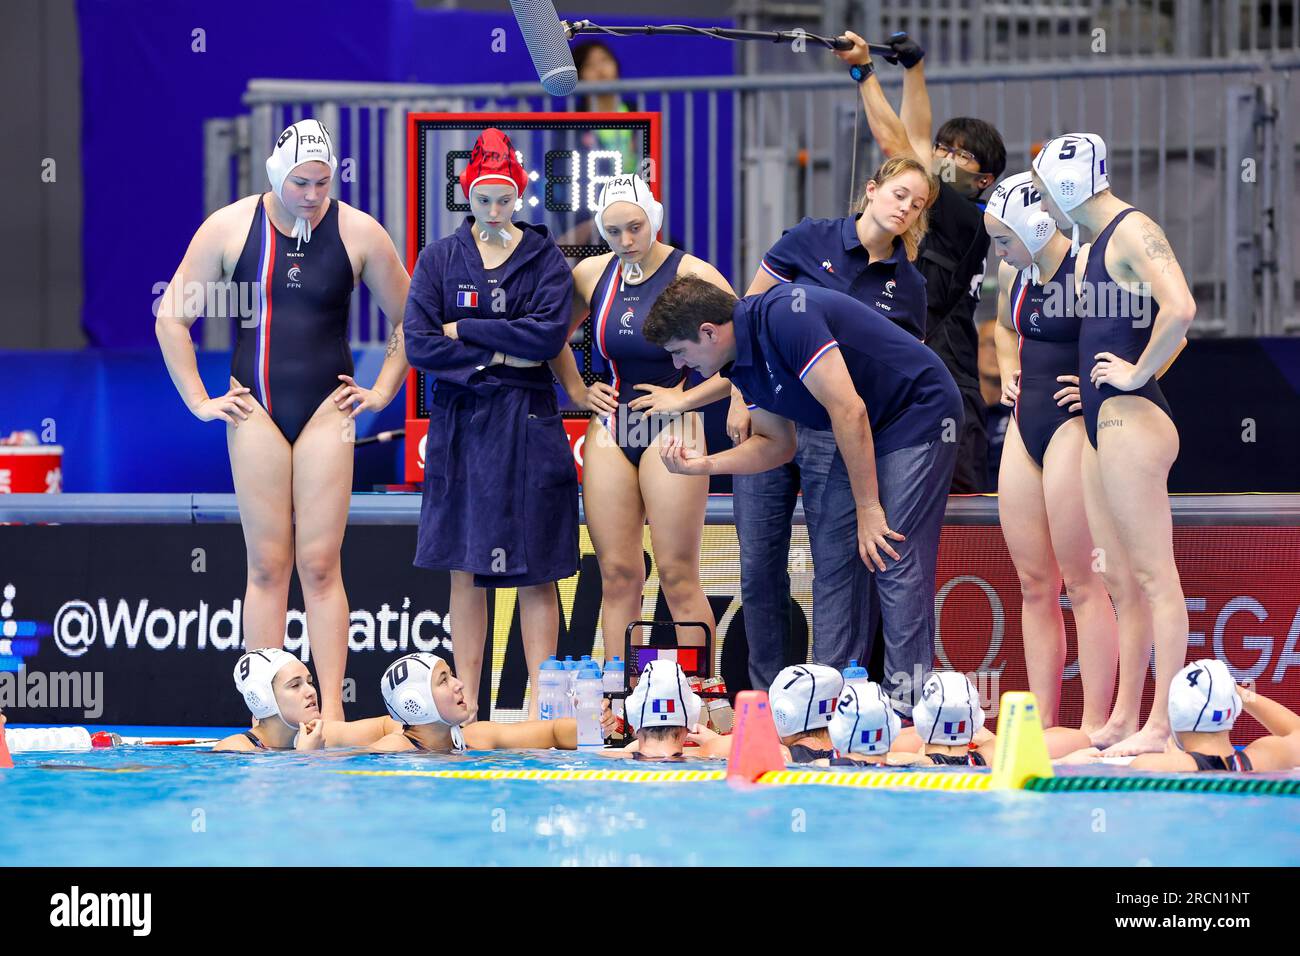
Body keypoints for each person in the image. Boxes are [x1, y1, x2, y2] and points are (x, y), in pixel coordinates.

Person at [157, 119, 412, 720]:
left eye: (323, 183)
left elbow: (413, 320)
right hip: (255, 411)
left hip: (329, 410)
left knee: (321, 565)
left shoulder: (359, 232)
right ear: (277, 175)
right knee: (267, 568)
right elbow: (173, 317)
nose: (313, 195)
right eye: (301, 183)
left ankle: (331, 718)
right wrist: (198, 400)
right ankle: (266, 715)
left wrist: (381, 392)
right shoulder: (229, 227)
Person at [644, 278, 962, 715]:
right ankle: (835, 705)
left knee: (889, 551)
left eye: (680, 351)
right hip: (856, 427)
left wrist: (869, 508)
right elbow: (778, 445)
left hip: (918, 412)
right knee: (837, 562)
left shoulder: (785, 316)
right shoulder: (740, 363)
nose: (680, 365)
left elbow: (850, 409)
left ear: (708, 332)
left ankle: (907, 714)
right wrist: (704, 465)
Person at [726, 156, 936, 689]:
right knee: (758, 566)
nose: (906, 208)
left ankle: (832, 696)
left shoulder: (909, 284)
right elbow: (747, 313)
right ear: (871, 189)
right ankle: (769, 699)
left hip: (837, 431)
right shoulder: (809, 238)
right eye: (899, 194)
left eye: (918, 204)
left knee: (837, 568)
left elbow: (895, 366)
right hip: (769, 412)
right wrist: (737, 395)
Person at [403, 128, 578, 722]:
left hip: (528, 423)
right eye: (485, 200)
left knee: (537, 572)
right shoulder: (439, 259)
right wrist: (503, 354)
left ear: (519, 199)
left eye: (505, 200)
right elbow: (422, 344)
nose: (496, 211)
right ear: (466, 197)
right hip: (462, 424)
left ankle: (543, 710)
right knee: (466, 569)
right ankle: (466, 709)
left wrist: (470, 332)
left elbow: (548, 338)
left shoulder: (545, 258)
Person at [1032, 133, 1195, 755]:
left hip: (1133, 422)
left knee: (1155, 577)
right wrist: (1106, 380)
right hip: (1107, 420)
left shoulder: (1131, 230)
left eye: (1048, 189)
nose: (1047, 202)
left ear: (1069, 185)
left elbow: (1180, 309)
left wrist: (1136, 374)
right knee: (1123, 583)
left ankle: (1164, 725)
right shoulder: (1095, 244)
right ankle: (1126, 718)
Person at [548, 175, 732, 660]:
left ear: (654, 220)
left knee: (675, 573)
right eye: (613, 231)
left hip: (674, 424)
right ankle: (619, 698)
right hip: (611, 425)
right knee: (618, 574)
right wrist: (577, 389)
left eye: (635, 227)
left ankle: (699, 700)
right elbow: (550, 337)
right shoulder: (591, 274)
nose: (626, 241)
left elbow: (748, 353)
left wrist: (686, 400)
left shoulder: (693, 273)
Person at [835, 30, 1008, 493]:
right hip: (905, 378)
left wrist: (865, 72)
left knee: (958, 524)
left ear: (983, 179)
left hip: (947, 384)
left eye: (962, 154)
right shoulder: (931, 199)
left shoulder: (967, 218)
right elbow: (915, 140)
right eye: (944, 148)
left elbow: (901, 148)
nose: (946, 157)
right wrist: (914, 70)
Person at [984, 171, 1117, 734]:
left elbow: (1162, 331)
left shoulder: (1089, 268)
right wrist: (1010, 371)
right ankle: (1039, 727)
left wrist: (1104, 390)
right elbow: (999, 330)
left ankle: (1093, 726)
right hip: (1023, 424)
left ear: (1037, 225)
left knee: (1084, 582)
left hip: (1071, 428)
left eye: (1004, 239)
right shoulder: (1015, 268)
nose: (998, 251)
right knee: (1035, 584)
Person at [1069, 660, 1300, 772]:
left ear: (1174, 716)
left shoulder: (1153, 765)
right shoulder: (1266, 758)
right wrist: (1238, 692)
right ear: (1233, 709)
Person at [369, 653, 617, 753]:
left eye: (452, 675)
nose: (459, 684)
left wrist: (591, 724)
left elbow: (551, 733)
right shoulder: (393, 749)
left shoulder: (476, 737)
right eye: (443, 680)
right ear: (415, 702)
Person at [887, 671, 1092, 766]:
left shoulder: (907, 756)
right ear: (976, 722)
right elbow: (1082, 739)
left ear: (921, 720)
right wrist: (992, 740)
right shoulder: (996, 755)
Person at [214, 649, 400, 751]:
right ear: (262, 700)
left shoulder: (319, 733)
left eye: (310, 682)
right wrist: (304, 758)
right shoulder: (236, 748)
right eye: (295, 685)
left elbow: (390, 725)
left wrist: (375, 749)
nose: (311, 691)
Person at [687, 663, 844, 763]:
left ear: (785, 715)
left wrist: (715, 741)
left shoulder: (781, 755)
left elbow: (712, 749)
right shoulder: (851, 754)